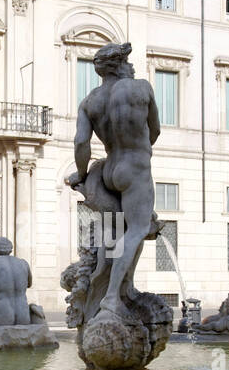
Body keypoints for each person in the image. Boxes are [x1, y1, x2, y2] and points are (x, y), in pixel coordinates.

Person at [64, 42, 160, 320]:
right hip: (134, 167)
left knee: (117, 230)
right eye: (128, 62)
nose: (132, 66)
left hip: (108, 169)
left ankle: (114, 287)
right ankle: (110, 298)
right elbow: (155, 129)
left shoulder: (90, 101)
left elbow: (82, 143)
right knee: (138, 229)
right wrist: (140, 150)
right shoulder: (141, 88)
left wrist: (81, 175)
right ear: (121, 64)